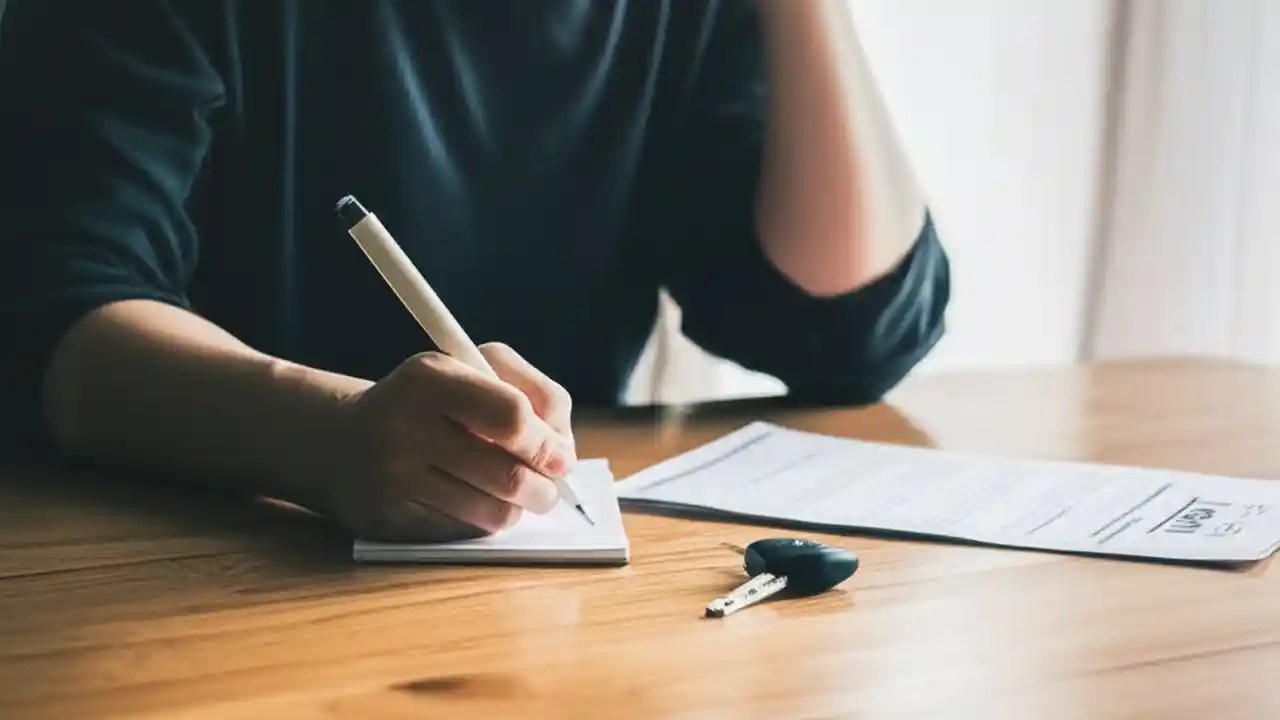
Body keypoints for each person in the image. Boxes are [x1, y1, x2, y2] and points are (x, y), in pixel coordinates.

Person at [0, 1, 949, 542]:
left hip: (523, 607)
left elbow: (846, 329)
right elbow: (57, 315)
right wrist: (326, 438)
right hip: (163, 566)